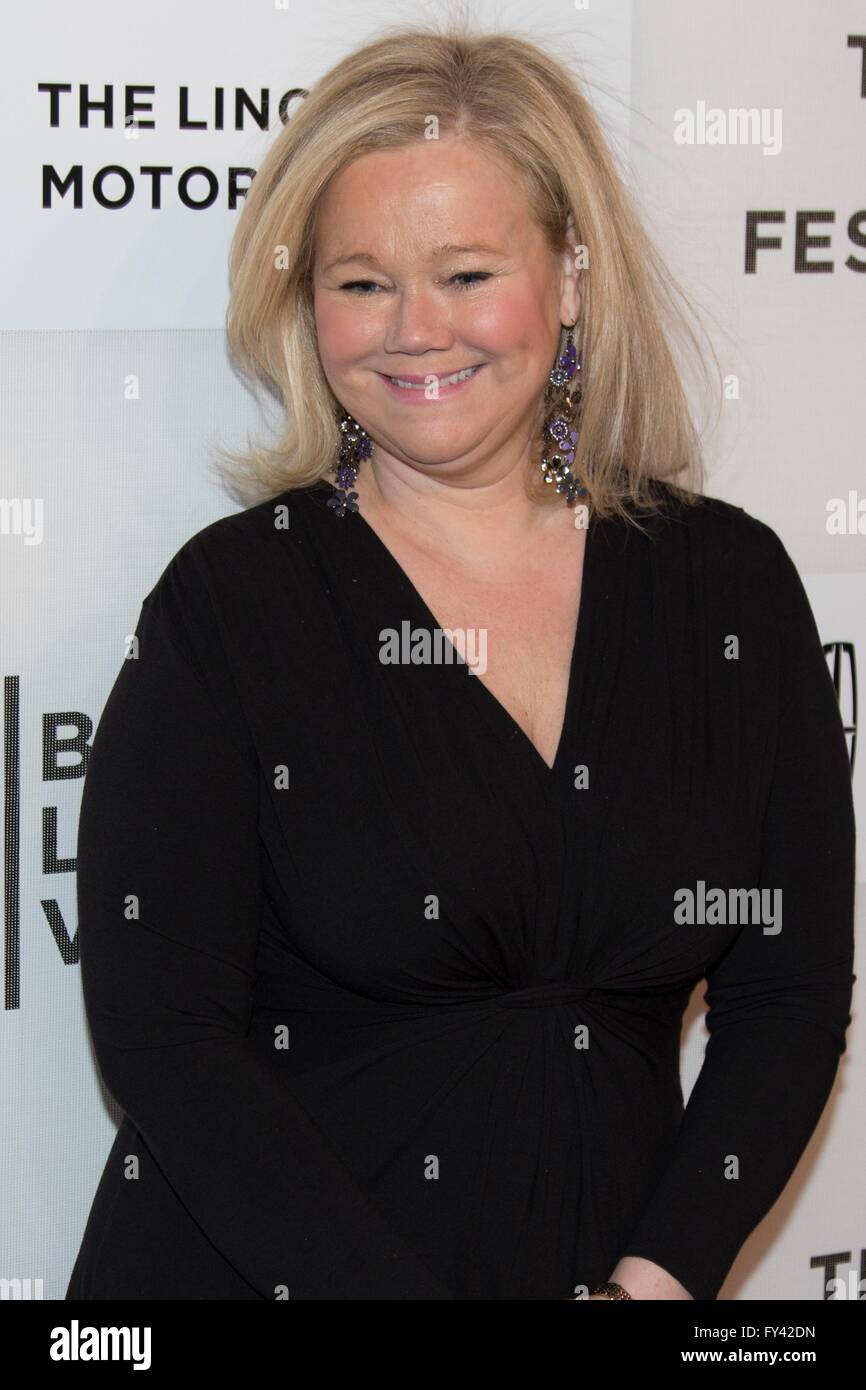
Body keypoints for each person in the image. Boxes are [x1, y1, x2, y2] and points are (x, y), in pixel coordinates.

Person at [66, 23, 856, 1301]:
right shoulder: (235, 603)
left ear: (572, 276)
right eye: (361, 281)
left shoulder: (728, 585)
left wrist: (653, 1283)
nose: (412, 331)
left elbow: (788, 993)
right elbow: (167, 1041)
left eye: (466, 271)